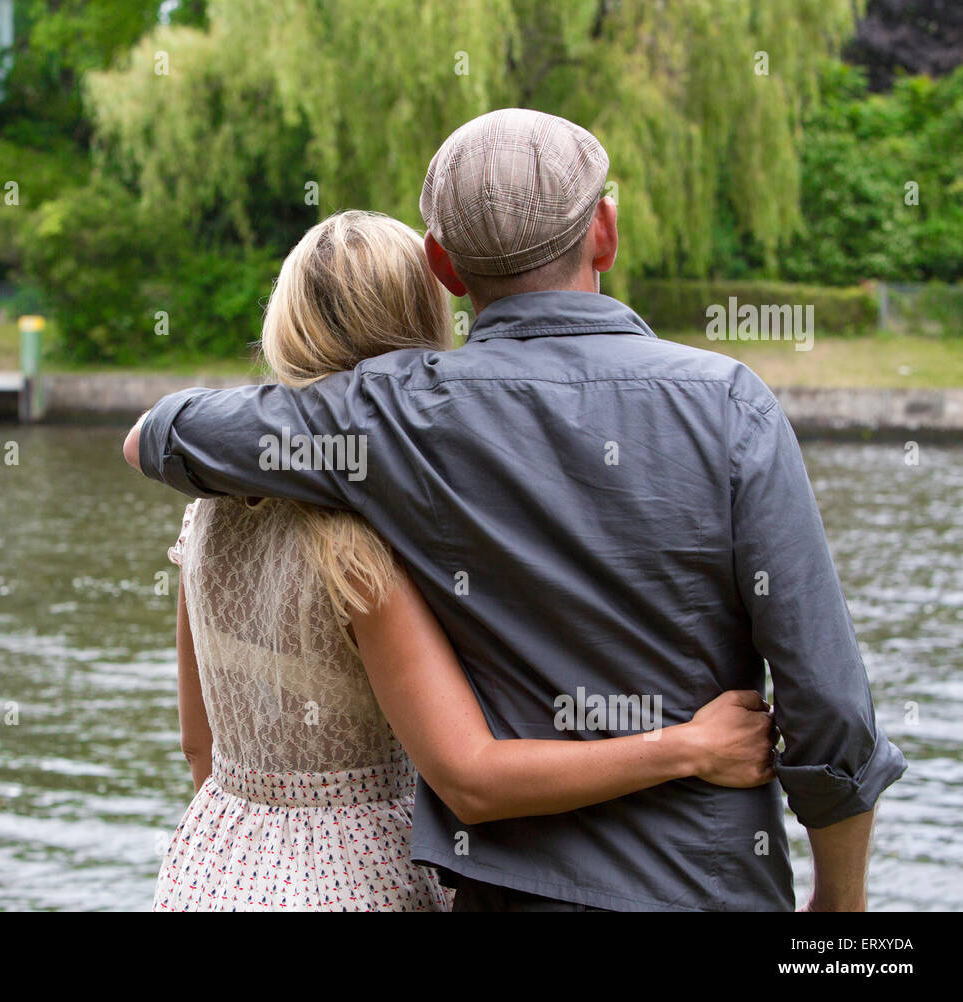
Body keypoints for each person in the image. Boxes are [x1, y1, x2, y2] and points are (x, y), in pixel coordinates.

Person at [127, 109, 906, 912]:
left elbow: (159, 436)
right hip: (708, 884)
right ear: (603, 231)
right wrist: (837, 907)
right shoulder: (730, 407)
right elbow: (831, 705)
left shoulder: (393, 418)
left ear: (446, 266)